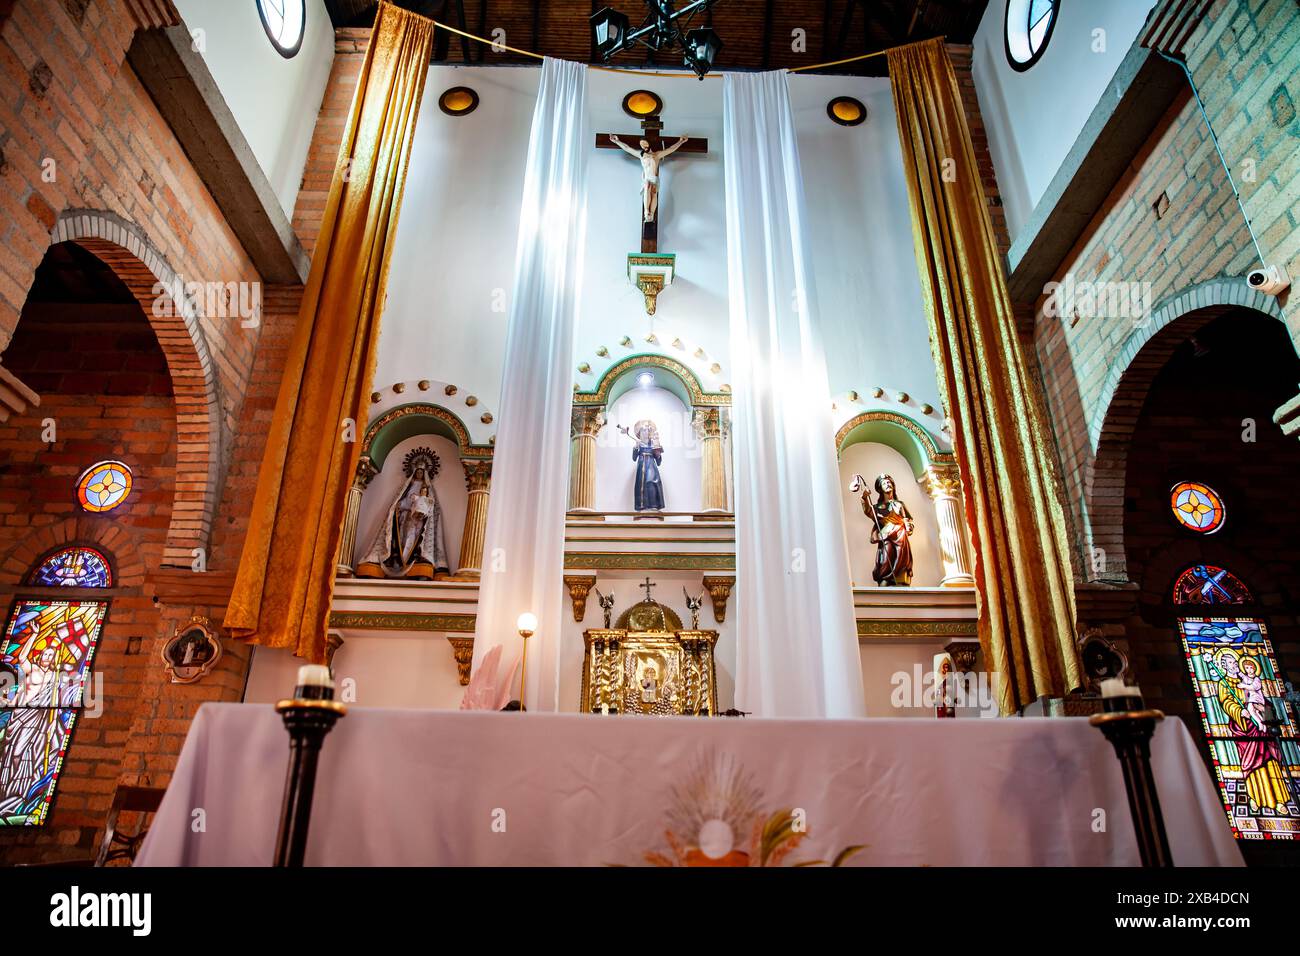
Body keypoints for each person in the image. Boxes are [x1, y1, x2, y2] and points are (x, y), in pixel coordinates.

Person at [1214, 648, 1291, 813]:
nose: (1235, 665)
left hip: (1261, 725)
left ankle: (1279, 800)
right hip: (1243, 727)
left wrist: (1264, 710)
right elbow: (1225, 702)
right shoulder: (1223, 683)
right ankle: (1255, 798)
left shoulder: (1249, 679)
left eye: (1235, 662)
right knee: (1251, 764)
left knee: (1271, 760)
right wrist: (1239, 711)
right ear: (1224, 666)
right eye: (1231, 663)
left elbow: (1262, 697)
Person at [609, 134, 689, 224]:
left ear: (649, 143)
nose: (643, 146)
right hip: (647, 178)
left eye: (644, 143)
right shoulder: (641, 155)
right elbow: (627, 148)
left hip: (654, 178)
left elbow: (670, 149)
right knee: (647, 185)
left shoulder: (657, 155)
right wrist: (616, 141)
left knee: (654, 193)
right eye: (641, 145)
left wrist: (681, 141)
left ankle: (651, 214)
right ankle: (646, 212)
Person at [866, 474, 915, 586]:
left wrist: (909, 525)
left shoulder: (899, 504)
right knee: (886, 554)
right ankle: (886, 578)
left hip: (900, 535)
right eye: (884, 483)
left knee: (901, 554)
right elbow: (868, 510)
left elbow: (908, 519)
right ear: (880, 489)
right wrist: (864, 497)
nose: (887, 485)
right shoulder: (878, 507)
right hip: (886, 535)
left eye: (889, 482)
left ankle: (901, 578)